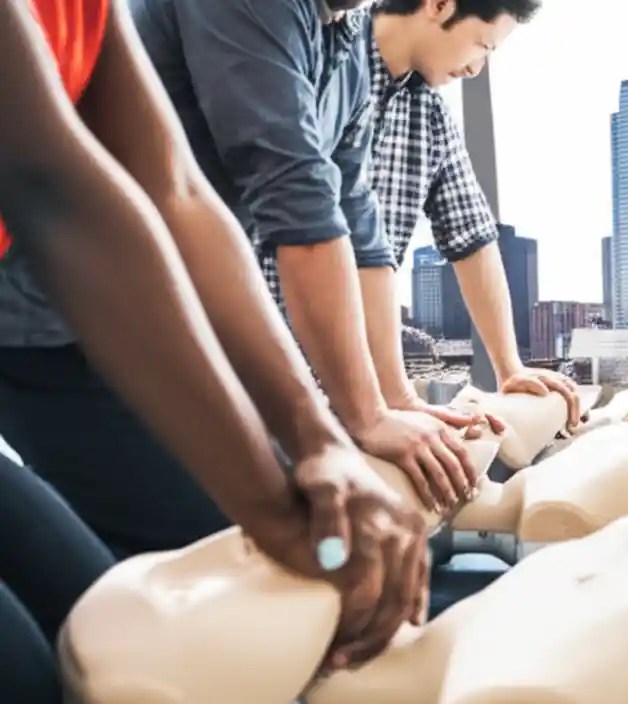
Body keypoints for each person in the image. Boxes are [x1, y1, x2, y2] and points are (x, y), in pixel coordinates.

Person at [0, 0, 433, 704]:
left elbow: (177, 191)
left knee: (93, 632)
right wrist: (273, 510)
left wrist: (321, 444)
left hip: (105, 301)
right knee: (29, 689)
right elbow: (54, 192)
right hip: (50, 327)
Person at [120, 0, 481, 521]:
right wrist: (366, 418)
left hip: (180, 313)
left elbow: (358, 223)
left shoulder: (349, 32)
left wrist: (395, 400)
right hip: (84, 310)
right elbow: (298, 200)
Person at [362, 0, 580, 421]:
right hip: (255, 352)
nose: (476, 69)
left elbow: (473, 237)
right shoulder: (324, 59)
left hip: (364, 380)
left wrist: (509, 367)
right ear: (440, 5)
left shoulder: (427, 112)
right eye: (483, 45)